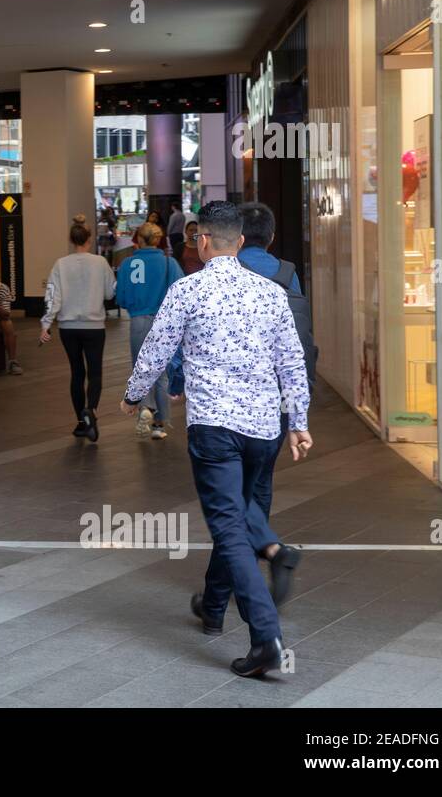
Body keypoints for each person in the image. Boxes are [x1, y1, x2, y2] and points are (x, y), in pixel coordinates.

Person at [120, 201, 311, 678]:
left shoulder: (188, 291)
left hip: (214, 431)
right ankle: (231, 586)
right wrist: (299, 422)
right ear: (241, 241)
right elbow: (292, 361)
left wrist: (132, 396)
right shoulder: (270, 294)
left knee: (227, 529)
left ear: (202, 241)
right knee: (244, 516)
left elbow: (156, 351)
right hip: (264, 431)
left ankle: (266, 637)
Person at [236, 201, 317, 518]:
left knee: (230, 475)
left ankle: (239, 544)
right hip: (277, 391)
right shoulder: (288, 274)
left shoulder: (224, 273)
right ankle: (255, 541)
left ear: (237, 236)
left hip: (232, 389)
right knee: (261, 476)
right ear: (271, 236)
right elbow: (300, 339)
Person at [39, 216, 116, 441]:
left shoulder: (60, 264)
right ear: (89, 239)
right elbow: (110, 293)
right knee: (95, 372)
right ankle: (90, 410)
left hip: (68, 327)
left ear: (71, 240)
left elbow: (52, 296)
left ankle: (81, 423)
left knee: (76, 372)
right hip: (94, 326)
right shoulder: (100, 263)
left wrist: (46, 324)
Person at [116, 222, 182, 440]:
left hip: (137, 322)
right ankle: (159, 425)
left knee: (141, 370)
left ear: (138, 239)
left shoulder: (127, 263)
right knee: (162, 375)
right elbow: (180, 294)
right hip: (162, 323)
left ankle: (145, 407)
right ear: (158, 239)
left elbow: (122, 298)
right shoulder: (168, 262)